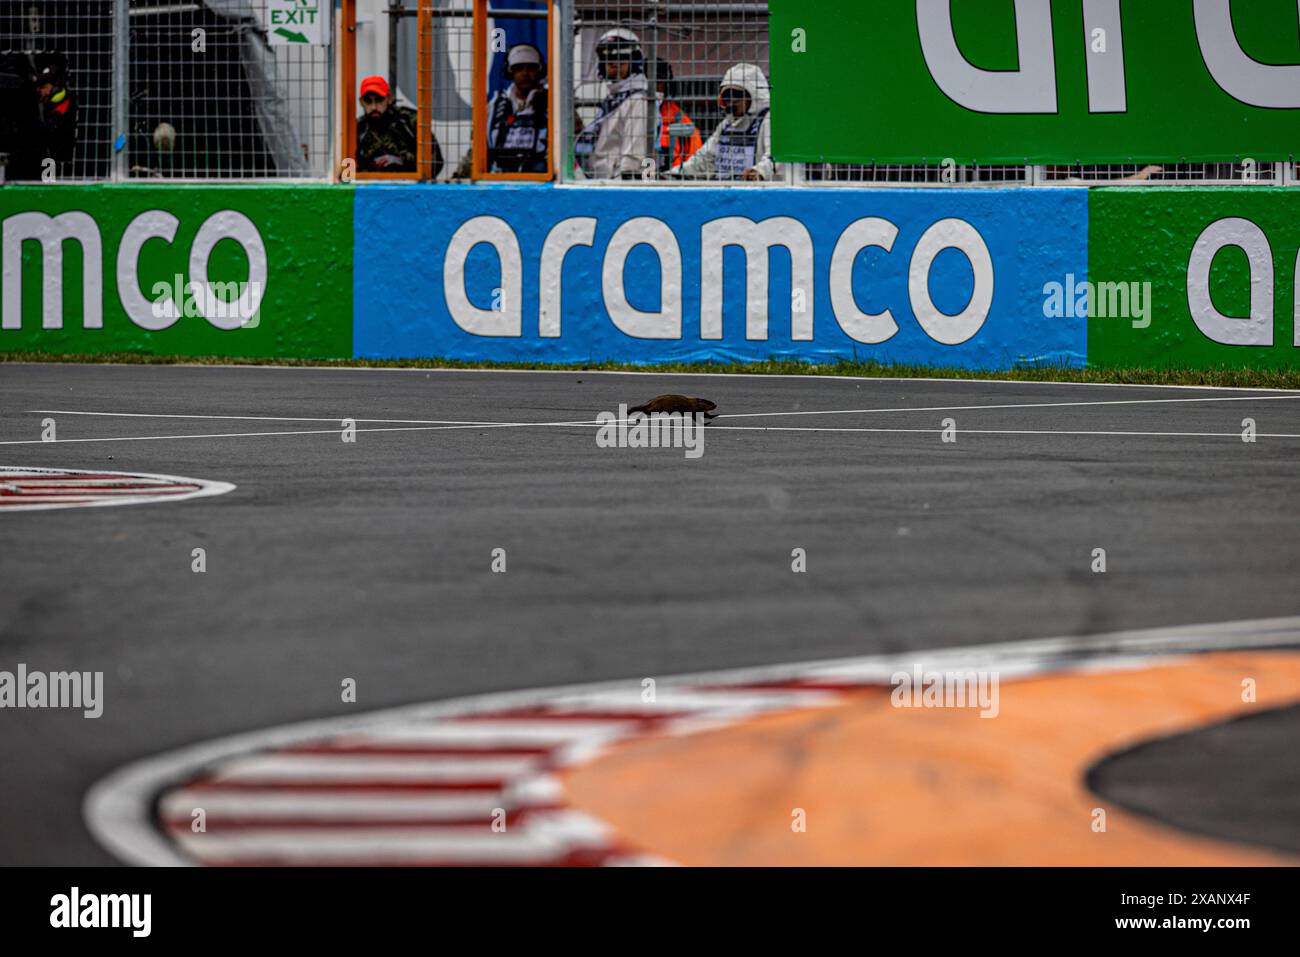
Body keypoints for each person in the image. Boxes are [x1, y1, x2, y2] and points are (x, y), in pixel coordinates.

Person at [670, 63, 777, 182]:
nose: (730, 102)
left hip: (754, 193)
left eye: (736, 96)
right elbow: (704, 159)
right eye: (726, 97)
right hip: (723, 191)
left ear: (753, 96)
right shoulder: (726, 125)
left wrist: (759, 172)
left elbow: (776, 157)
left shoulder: (768, 120)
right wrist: (673, 175)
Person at [574, 28, 652, 180]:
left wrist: (622, 189)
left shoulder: (638, 100)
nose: (614, 64)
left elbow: (634, 158)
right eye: (608, 58)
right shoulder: (615, 97)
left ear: (635, 61)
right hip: (598, 182)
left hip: (616, 186)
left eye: (621, 57)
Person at [357, 75, 443, 176]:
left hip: (409, 188)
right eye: (368, 101)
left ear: (389, 99)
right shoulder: (358, 128)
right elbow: (346, 170)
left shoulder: (409, 121)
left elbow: (435, 162)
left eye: (379, 100)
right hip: (367, 188)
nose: (374, 107)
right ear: (361, 102)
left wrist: (401, 161)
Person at [486, 43, 549, 173]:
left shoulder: (555, 105)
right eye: (518, 68)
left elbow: (575, 144)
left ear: (540, 71)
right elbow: (478, 147)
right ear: (510, 72)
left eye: (531, 68)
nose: (525, 73)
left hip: (541, 182)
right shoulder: (495, 106)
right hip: (501, 180)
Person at [650, 58, 701, 173]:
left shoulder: (679, 119)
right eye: (647, 81)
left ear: (667, 85)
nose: (652, 86)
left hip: (670, 180)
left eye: (658, 81)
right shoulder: (627, 113)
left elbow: (694, 159)